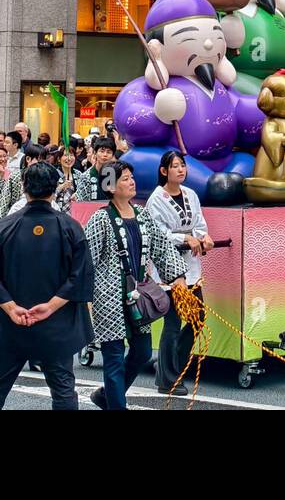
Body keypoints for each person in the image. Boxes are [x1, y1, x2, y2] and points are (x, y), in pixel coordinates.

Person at [0, 161, 95, 410]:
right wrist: (51, 306)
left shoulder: (4, 226)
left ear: (24, 187)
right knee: (63, 389)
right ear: (54, 190)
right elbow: (80, 274)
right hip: (56, 321)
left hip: (12, 322)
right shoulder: (69, 226)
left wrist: (10, 308)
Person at [84, 160, 187, 410]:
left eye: (131, 176)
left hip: (138, 294)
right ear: (110, 185)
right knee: (114, 356)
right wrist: (85, 297)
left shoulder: (142, 214)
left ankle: (106, 397)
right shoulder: (100, 219)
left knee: (141, 352)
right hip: (107, 297)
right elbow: (86, 260)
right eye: (125, 178)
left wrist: (178, 276)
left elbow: (162, 247)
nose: (132, 181)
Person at [144, 151, 215, 395]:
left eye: (182, 166)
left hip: (192, 268)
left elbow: (200, 224)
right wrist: (184, 237)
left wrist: (203, 237)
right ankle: (168, 378)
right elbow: (158, 234)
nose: (181, 170)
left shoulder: (191, 195)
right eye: (175, 166)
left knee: (198, 317)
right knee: (173, 323)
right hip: (169, 270)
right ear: (164, 171)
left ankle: (174, 364)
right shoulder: (156, 199)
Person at [74, 137, 117, 201]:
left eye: (108, 152)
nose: (105, 155)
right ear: (95, 153)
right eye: (102, 151)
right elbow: (81, 202)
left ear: (113, 155)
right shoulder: (86, 176)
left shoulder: (116, 175)